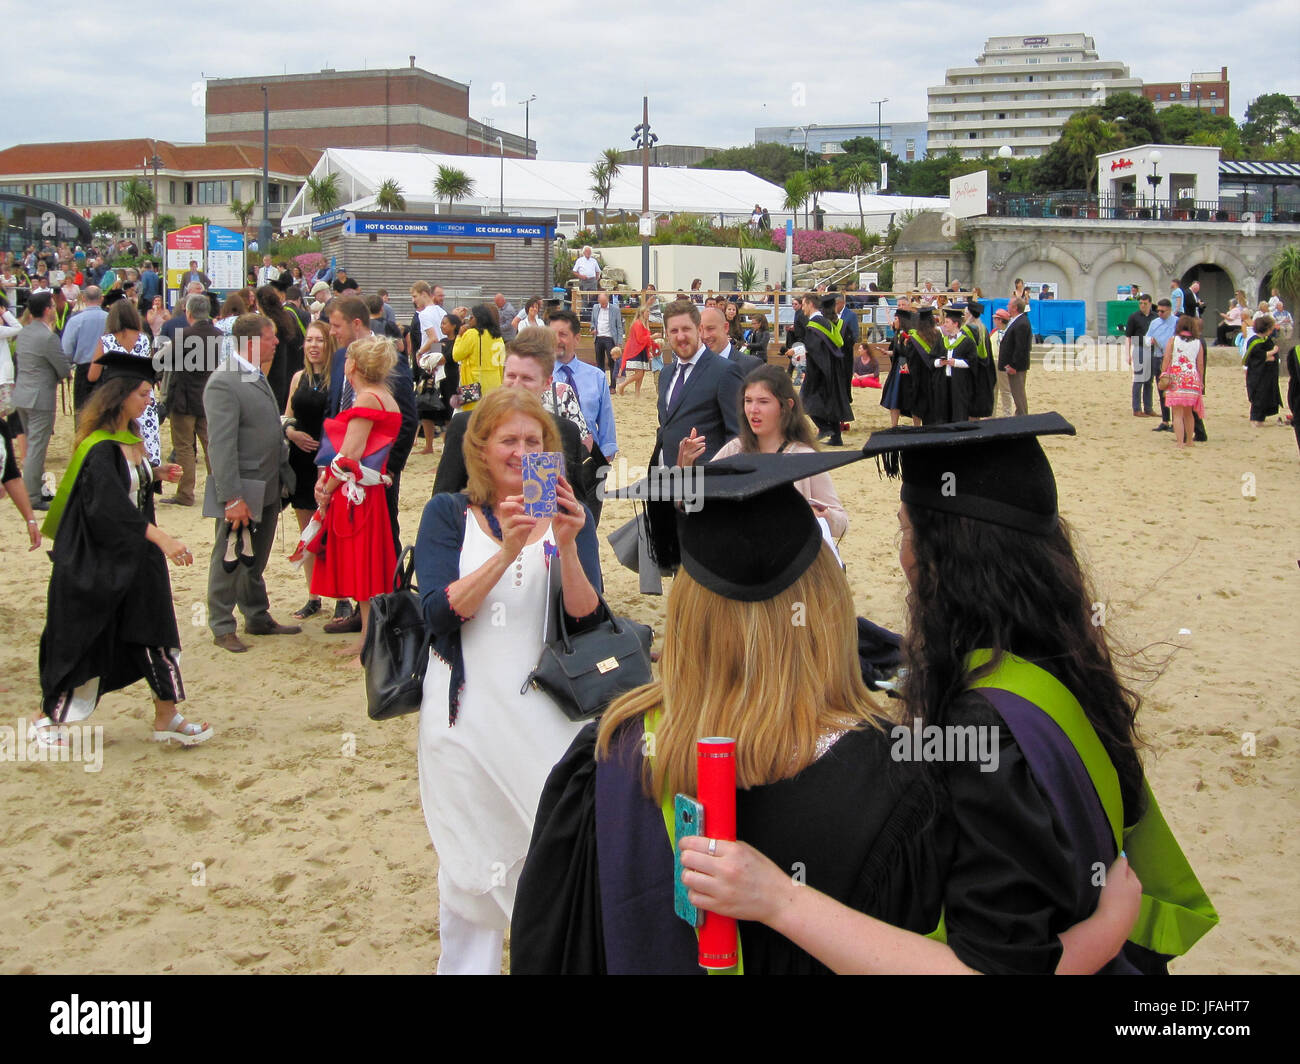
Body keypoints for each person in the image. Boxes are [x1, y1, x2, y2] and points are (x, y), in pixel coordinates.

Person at [514, 441, 1168, 973]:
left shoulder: (607, 758)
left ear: (687, 617)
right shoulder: (910, 784)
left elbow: (551, 946)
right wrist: (1099, 938)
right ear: (829, 604)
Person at [414, 386, 604, 974]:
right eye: (509, 441)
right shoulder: (449, 514)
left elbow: (589, 619)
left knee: (546, 853)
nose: (522, 452)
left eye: (534, 441)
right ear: (481, 449)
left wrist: (566, 546)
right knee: (467, 862)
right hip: (464, 720)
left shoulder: (566, 517)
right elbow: (438, 614)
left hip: (544, 716)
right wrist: (507, 551)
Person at [34, 350, 208, 746]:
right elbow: (107, 507)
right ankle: (48, 717)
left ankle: (167, 716)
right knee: (83, 636)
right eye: (143, 393)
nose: (149, 400)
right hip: (99, 561)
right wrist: (162, 538)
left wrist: (156, 473)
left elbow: (127, 485)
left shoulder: (128, 439)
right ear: (120, 395)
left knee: (156, 629)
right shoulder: (99, 448)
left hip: (136, 558)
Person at [204, 313, 301, 653]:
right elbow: (221, 444)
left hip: (267, 483)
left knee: (255, 558)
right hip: (242, 487)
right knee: (229, 557)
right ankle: (221, 624)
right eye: (270, 336)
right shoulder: (224, 381)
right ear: (251, 341)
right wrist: (231, 496)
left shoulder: (253, 374)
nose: (277, 342)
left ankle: (257, 615)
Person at [305, 335, 401, 659]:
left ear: (354, 365)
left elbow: (349, 456)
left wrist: (325, 490)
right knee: (369, 565)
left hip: (357, 495)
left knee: (363, 567)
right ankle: (367, 639)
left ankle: (368, 643)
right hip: (369, 491)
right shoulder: (385, 395)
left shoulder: (368, 399)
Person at [688, 363, 849, 542]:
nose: (753, 409)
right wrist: (686, 467)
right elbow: (693, 506)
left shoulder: (804, 457)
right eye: (748, 400)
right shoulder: (734, 450)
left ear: (786, 406)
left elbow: (842, 524)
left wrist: (820, 516)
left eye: (763, 401)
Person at [433, 327, 589, 505]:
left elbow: (572, 504)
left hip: (538, 527)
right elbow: (444, 498)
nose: (516, 385)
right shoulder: (467, 425)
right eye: (511, 376)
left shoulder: (564, 431)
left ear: (547, 383)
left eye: (526, 378)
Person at [283, 320, 335, 620]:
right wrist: (291, 433)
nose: (314, 345)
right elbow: (287, 416)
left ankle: (340, 596)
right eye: (309, 340)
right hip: (301, 461)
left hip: (328, 462)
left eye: (320, 340)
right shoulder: (298, 378)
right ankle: (313, 595)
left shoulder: (338, 379)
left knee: (332, 530)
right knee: (307, 531)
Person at [549, 308, 617, 521]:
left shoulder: (596, 376)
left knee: (588, 525)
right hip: (549, 463)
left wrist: (604, 457)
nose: (556, 340)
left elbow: (606, 420)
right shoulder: (539, 375)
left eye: (563, 334)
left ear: (577, 338)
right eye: (552, 334)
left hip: (589, 463)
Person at [157, 294, 220, 506]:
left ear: (188, 312)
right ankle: (219, 489)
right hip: (208, 397)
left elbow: (160, 360)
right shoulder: (218, 334)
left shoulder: (184, 335)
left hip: (183, 398)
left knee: (184, 447)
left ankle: (185, 493)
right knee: (211, 445)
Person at [13, 292, 73, 509]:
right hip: (40, 397)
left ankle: (36, 490)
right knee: (37, 449)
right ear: (48, 310)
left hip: (22, 393)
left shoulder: (24, 333)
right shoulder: (49, 338)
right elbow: (63, 368)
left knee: (32, 446)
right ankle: (32, 497)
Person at [800, 293, 850, 446]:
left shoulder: (815, 324)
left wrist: (799, 353)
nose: (802, 308)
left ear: (810, 304)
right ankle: (836, 438)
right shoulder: (826, 322)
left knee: (804, 399)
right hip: (832, 367)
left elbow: (814, 349)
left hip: (819, 369)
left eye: (803, 304)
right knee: (830, 401)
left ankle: (824, 428)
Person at [1160, 315, 1206, 449]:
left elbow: (1167, 357)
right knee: (1188, 413)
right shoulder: (1198, 342)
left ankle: (1180, 442)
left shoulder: (1173, 340)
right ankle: (1190, 441)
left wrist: (1163, 373)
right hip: (1191, 378)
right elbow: (1200, 364)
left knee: (1177, 414)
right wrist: (1201, 380)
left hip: (1176, 377)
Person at [60, 285, 108, 411]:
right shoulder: (110, 319)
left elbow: (66, 350)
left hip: (83, 369)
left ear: (84, 299)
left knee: (82, 412)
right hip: (106, 370)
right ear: (101, 299)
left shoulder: (75, 321)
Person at [453, 303, 506, 412]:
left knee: (471, 417)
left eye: (472, 317)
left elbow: (456, 355)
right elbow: (501, 364)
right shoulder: (498, 337)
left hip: (473, 383)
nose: (469, 319)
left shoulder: (472, 334)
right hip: (494, 382)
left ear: (479, 318)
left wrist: (459, 336)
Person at [880, 303, 917, 428]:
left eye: (896, 318)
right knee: (894, 396)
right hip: (898, 366)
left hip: (907, 367)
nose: (894, 321)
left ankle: (917, 426)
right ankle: (894, 425)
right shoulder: (897, 334)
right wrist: (887, 352)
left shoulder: (910, 335)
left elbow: (909, 353)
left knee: (911, 396)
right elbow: (897, 352)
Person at [1145, 299, 1178, 432]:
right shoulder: (1154, 323)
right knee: (1161, 389)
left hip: (1173, 359)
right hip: (1158, 357)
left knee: (1174, 390)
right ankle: (1165, 420)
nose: (1160, 313)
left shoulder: (1177, 322)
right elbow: (1146, 338)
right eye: (1158, 310)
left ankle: (1176, 422)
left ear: (1169, 310)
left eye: (1162, 311)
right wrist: (1150, 341)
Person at [1243, 315, 1281, 428]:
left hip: (1268, 374)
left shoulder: (1267, 340)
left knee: (1266, 396)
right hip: (1257, 375)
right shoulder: (1254, 341)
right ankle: (1254, 419)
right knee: (1258, 396)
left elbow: (1270, 357)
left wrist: (1269, 356)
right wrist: (1271, 352)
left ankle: (1261, 419)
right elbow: (1255, 357)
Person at [997, 297, 1032, 416]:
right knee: (1017, 393)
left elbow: (1021, 348)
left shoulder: (1021, 323)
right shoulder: (1018, 321)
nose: (1007, 306)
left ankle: (1022, 418)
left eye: (1009, 304)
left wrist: (1014, 365)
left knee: (1018, 394)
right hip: (1014, 365)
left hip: (1016, 367)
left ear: (1015, 308)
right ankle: (1020, 417)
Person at [1124, 294, 1158, 417]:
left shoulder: (1155, 317)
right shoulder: (1134, 317)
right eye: (1141, 303)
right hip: (1139, 349)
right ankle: (1137, 408)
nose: (1142, 306)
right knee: (1139, 379)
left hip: (1153, 350)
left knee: (1149, 380)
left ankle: (1148, 408)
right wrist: (1127, 354)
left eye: (1145, 303)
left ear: (1150, 303)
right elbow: (1128, 336)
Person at [616, 302, 657, 397]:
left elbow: (644, 339)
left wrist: (649, 349)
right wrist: (652, 337)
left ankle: (637, 393)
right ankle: (622, 385)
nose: (649, 313)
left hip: (641, 350)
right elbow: (640, 338)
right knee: (638, 374)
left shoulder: (644, 324)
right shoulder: (638, 323)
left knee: (641, 374)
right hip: (636, 350)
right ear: (642, 313)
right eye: (647, 311)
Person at [590, 291, 623, 389]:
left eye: (604, 303)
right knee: (599, 363)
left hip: (610, 338)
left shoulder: (615, 309)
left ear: (608, 300)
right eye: (601, 303)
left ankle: (613, 386)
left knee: (612, 362)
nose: (603, 305)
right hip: (598, 338)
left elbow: (619, 326)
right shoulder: (595, 308)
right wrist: (593, 329)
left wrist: (619, 342)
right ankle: (601, 385)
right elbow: (592, 322)